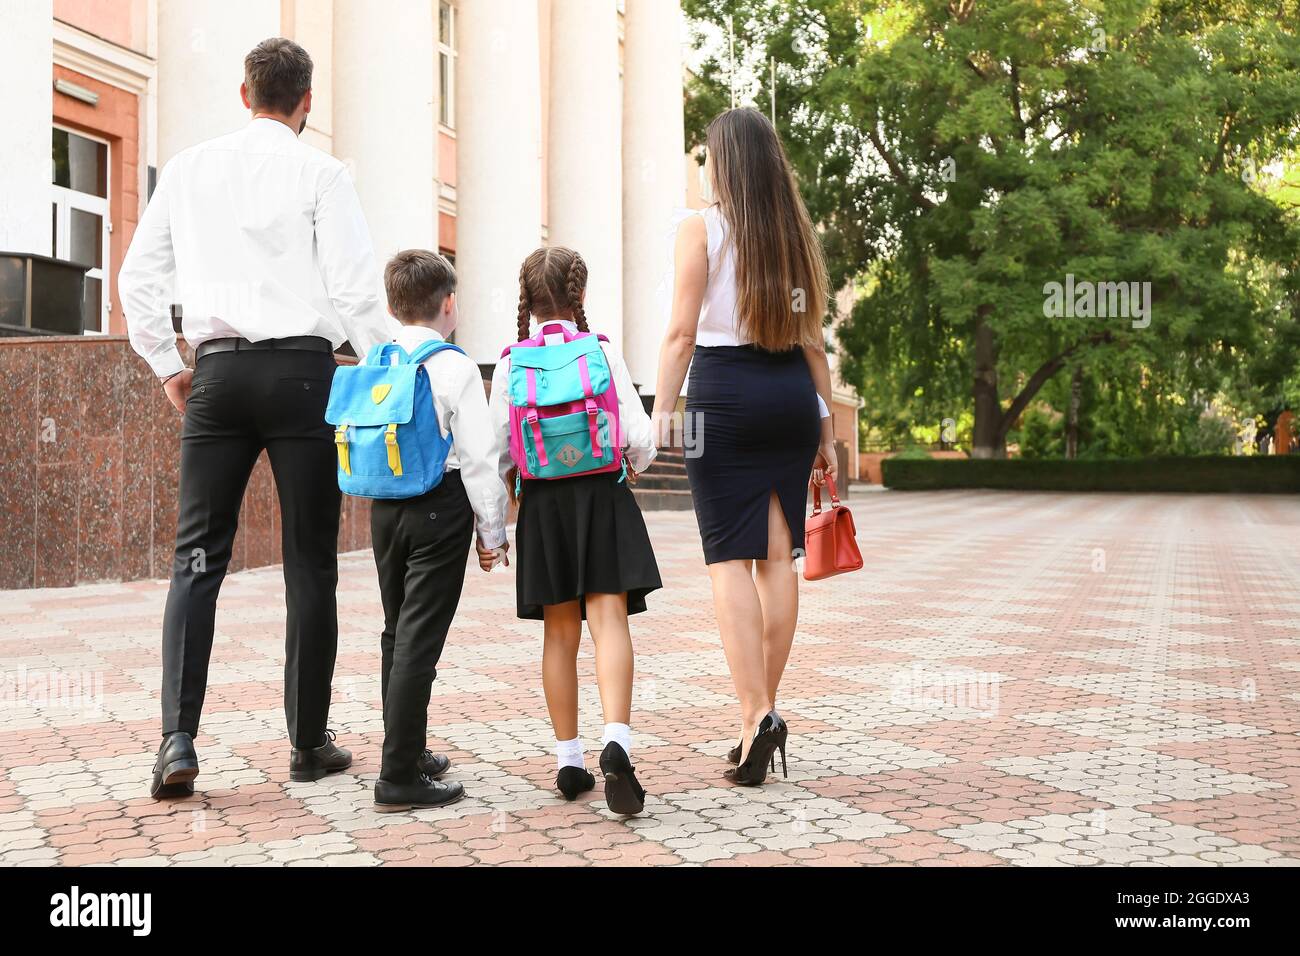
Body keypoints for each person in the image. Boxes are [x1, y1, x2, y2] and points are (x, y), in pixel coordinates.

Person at [119, 38, 399, 799]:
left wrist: (168, 365)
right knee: (311, 561)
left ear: (244, 94)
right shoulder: (323, 173)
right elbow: (353, 291)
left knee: (197, 558)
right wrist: (389, 370)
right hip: (305, 376)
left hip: (216, 375)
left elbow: (137, 276)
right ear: (306, 103)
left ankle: (177, 738)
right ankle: (309, 744)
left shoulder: (188, 167)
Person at [652, 107, 837, 787]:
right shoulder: (793, 235)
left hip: (725, 395)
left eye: (706, 154)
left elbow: (680, 334)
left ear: (723, 161)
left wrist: (662, 416)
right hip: (790, 393)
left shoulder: (701, 229)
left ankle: (757, 714)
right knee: (779, 558)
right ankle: (759, 716)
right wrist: (828, 435)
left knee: (729, 559)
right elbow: (815, 343)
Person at [485, 247, 660, 814]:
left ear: (528, 302)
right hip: (601, 500)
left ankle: (568, 760)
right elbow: (639, 438)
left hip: (544, 509)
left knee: (559, 635)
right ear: (579, 294)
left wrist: (493, 530)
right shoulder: (601, 351)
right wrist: (630, 462)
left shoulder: (511, 361)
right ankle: (617, 741)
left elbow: (499, 455)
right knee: (609, 623)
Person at [368, 251, 508, 812]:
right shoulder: (456, 367)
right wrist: (492, 531)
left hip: (383, 508)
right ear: (448, 303)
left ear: (391, 305)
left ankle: (408, 746)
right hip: (438, 508)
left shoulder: (378, 358)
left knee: (396, 634)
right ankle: (399, 774)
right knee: (418, 643)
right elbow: (480, 459)